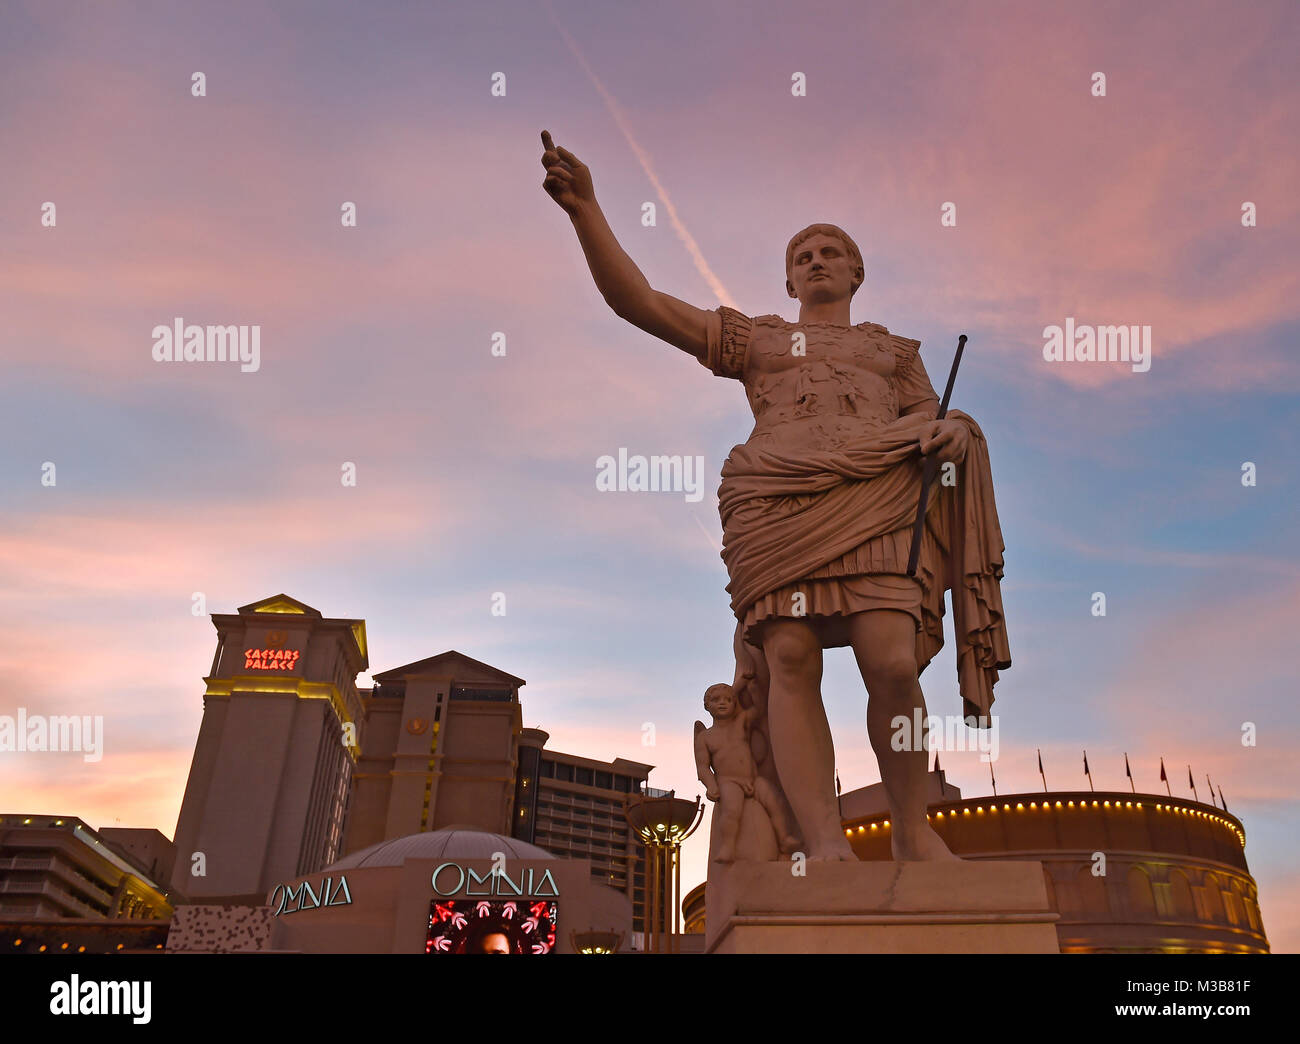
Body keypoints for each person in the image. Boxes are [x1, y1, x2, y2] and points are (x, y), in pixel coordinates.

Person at [540, 130, 1010, 862]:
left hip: (875, 505)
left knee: (889, 661)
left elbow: (928, 424)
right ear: (790, 283)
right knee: (789, 659)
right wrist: (585, 211)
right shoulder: (756, 339)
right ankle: (824, 846)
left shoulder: (897, 352)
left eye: (830, 252)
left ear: (857, 274)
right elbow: (639, 303)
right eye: (802, 256)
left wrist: (954, 431)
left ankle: (914, 832)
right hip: (774, 507)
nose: (816, 260)